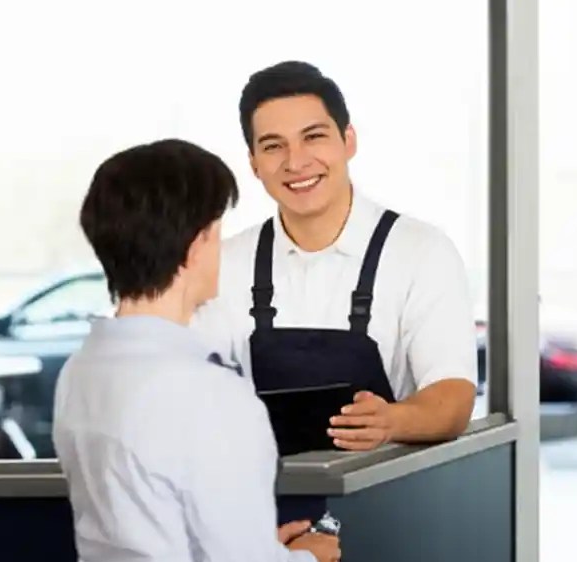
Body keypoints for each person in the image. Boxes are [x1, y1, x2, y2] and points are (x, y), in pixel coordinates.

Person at [54, 139, 341, 562]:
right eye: (216, 233)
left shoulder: (80, 374)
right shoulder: (211, 396)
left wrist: (257, 550)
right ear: (194, 247)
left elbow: (149, 538)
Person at [192, 61, 478, 451]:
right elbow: (198, 391)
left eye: (313, 137)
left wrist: (391, 421)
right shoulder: (226, 263)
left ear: (349, 140)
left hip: (386, 497)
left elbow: (454, 397)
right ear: (254, 164)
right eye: (273, 146)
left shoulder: (422, 252)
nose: (295, 162)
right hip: (260, 502)